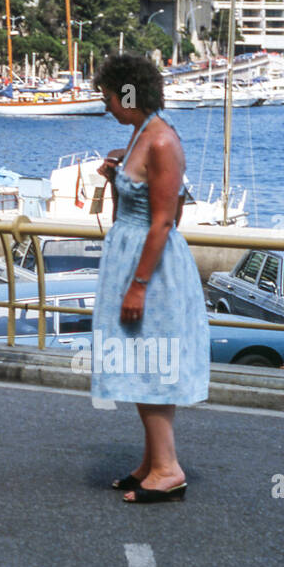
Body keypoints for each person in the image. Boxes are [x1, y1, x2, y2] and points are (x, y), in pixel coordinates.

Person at [91, 53, 209, 503]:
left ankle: (168, 469)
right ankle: (151, 461)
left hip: (151, 270)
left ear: (127, 94)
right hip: (133, 260)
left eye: (109, 97)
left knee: (152, 362)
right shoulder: (141, 134)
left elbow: (165, 220)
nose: (106, 106)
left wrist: (138, 285)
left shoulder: (161, 141)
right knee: (142, 361)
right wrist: (116, 176)